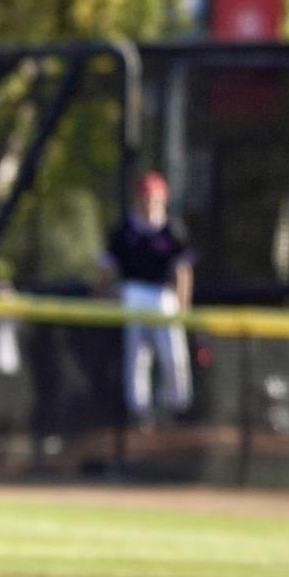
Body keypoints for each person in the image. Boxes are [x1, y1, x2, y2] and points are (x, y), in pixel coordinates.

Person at [98, 171, 194, 426]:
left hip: (164, 296)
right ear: (138, 198)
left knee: (173, 355)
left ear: (163, 198)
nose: (149, 201)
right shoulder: (125, 230)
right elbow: (106, 271)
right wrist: (101, 295)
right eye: (145, 197)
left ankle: (177, 408)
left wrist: (183, 306)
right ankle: (139, 412)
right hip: (133, 294)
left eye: (154, 197)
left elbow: (183, 272)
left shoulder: (172, 229)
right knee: (137, 357)